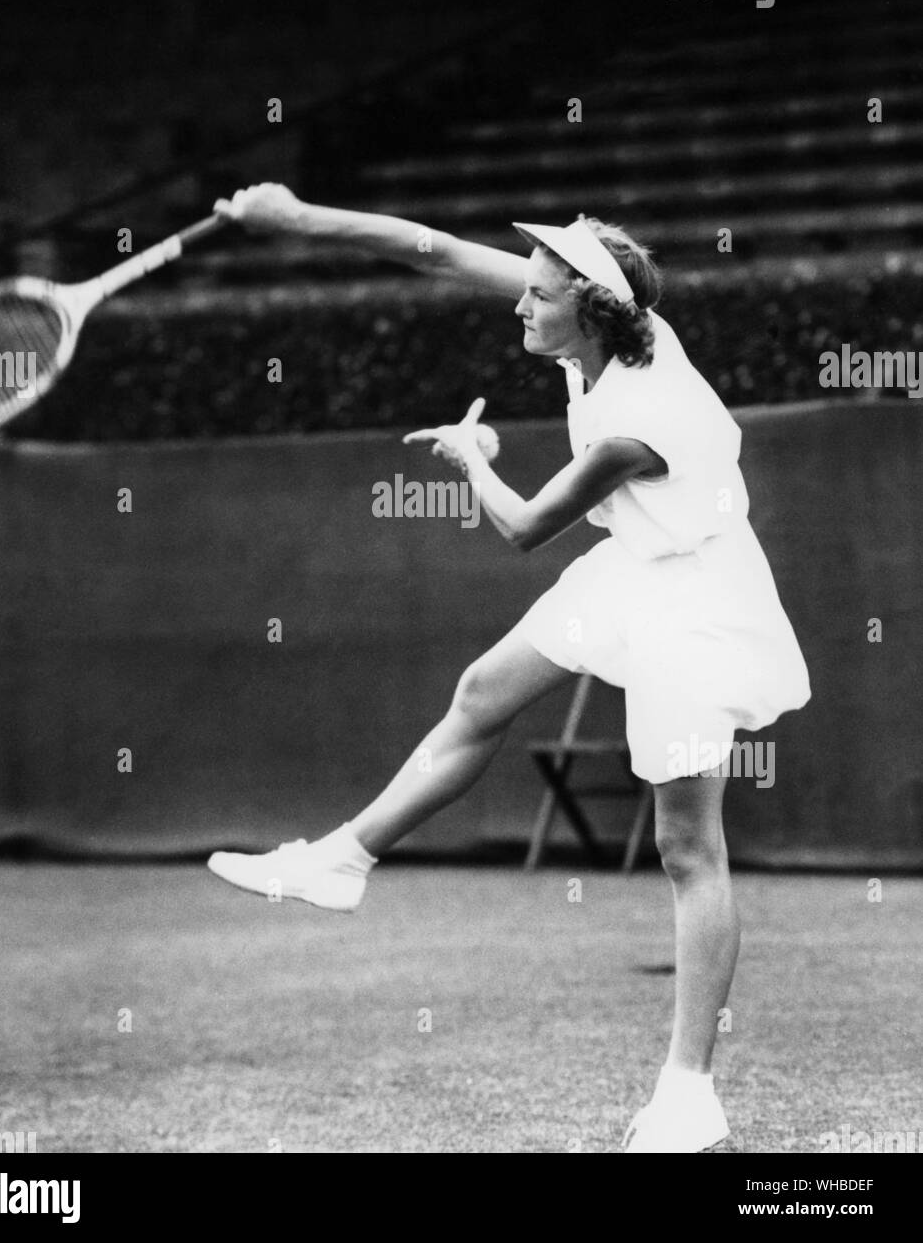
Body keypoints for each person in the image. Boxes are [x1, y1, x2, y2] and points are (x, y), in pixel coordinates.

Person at [207, 183, 811, 1153]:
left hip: (700, 604)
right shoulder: (605, 325)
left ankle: (688, 1091)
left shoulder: (635, 420)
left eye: (537, 295)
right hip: (633, 563)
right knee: (482, 692)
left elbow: (526, 527)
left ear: (590, 306)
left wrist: (472, 454)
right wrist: (298, 218)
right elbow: (436, 247)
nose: (518, 305)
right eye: (525, 287)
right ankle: (341, 860)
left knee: (685, 848)